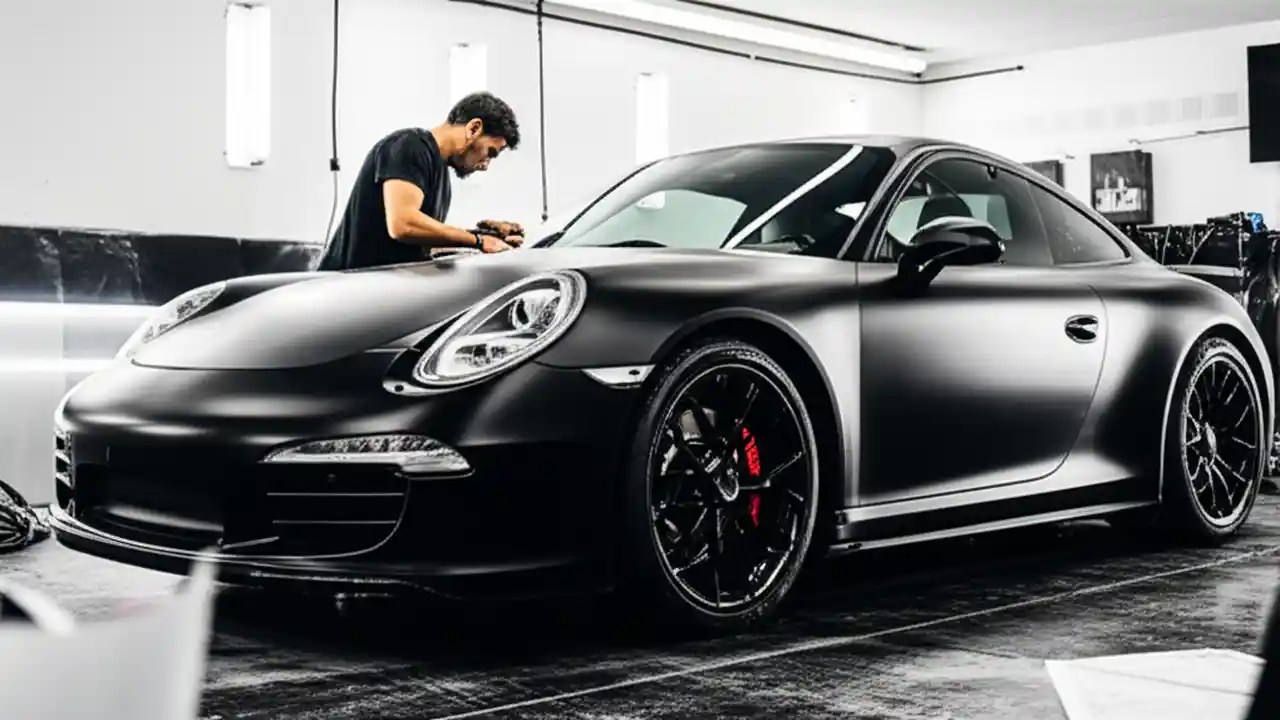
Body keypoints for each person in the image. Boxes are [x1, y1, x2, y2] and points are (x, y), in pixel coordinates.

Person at [318, 92, 525, 270]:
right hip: (343, 292)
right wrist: (479, 241)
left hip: (375, 293)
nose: (485, 164)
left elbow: (422, 240)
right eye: (490, 152)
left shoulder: (440, 174)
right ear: (473, 128)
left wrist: (487, 237)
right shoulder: (410, 146)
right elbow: (403, 225)